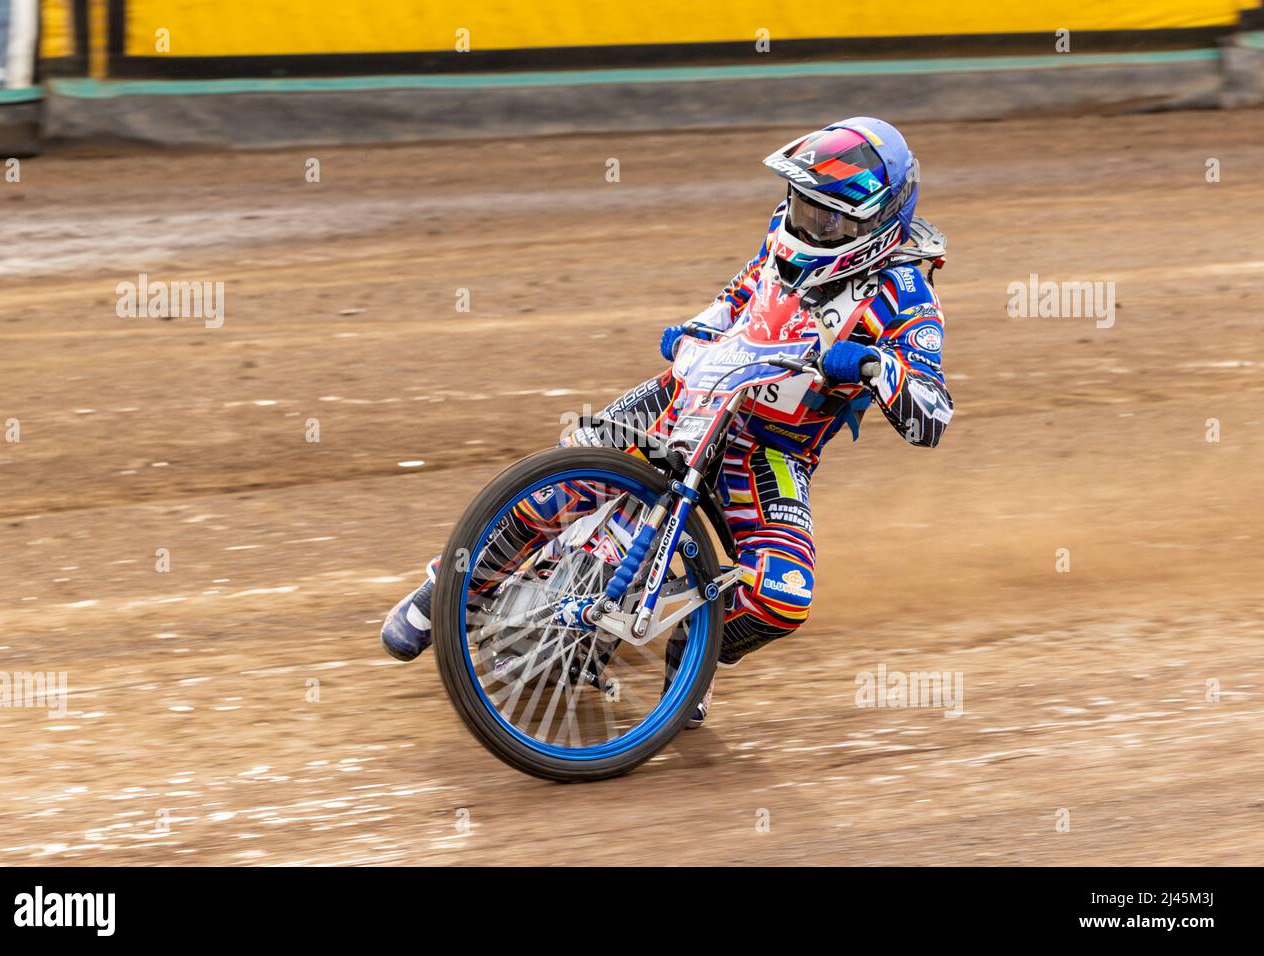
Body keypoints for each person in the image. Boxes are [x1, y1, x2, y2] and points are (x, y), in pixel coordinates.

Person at [381, 117, 953, 726]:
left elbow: (932, 416)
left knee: (782, 598)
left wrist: (872, 364)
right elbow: (741, 295)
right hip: (689, 393)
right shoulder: (781, 237)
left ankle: (695, 652)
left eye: (829, 217)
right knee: (566, 475)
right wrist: (696, 327)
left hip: (768, 450)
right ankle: (450, 588)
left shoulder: (907, 298)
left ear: (876, 221)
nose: (809, 223)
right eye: (803, 205)